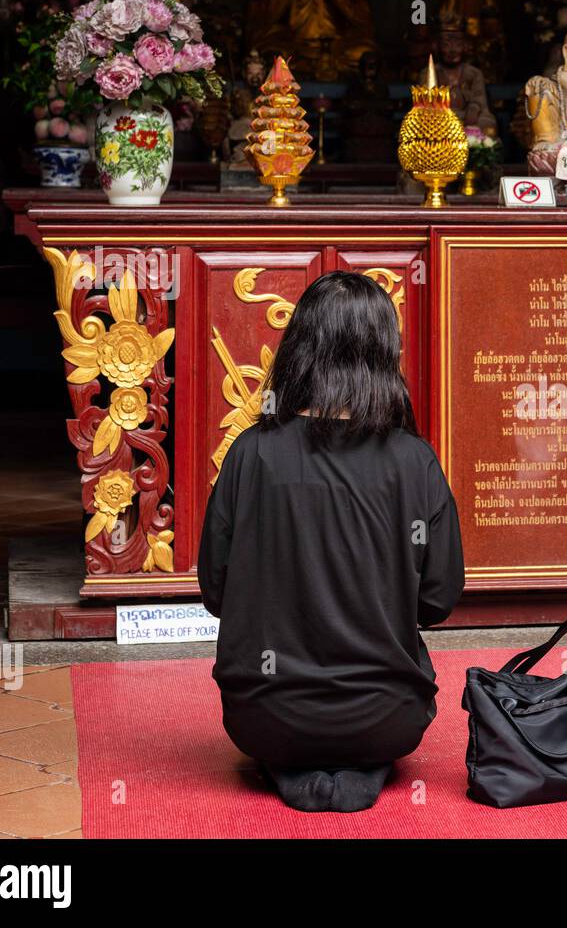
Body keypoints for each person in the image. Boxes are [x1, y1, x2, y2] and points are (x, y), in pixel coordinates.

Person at [198, 271, 464, 813]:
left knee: (285, 737)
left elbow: (216, 591)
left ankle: (298, 762)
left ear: (297, 349)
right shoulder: (414, 461)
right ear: (385, 355)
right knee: (375, 726)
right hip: (387, 720)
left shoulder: (251, 455)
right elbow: (438, 601)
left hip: (264, 719)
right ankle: (356, 763)